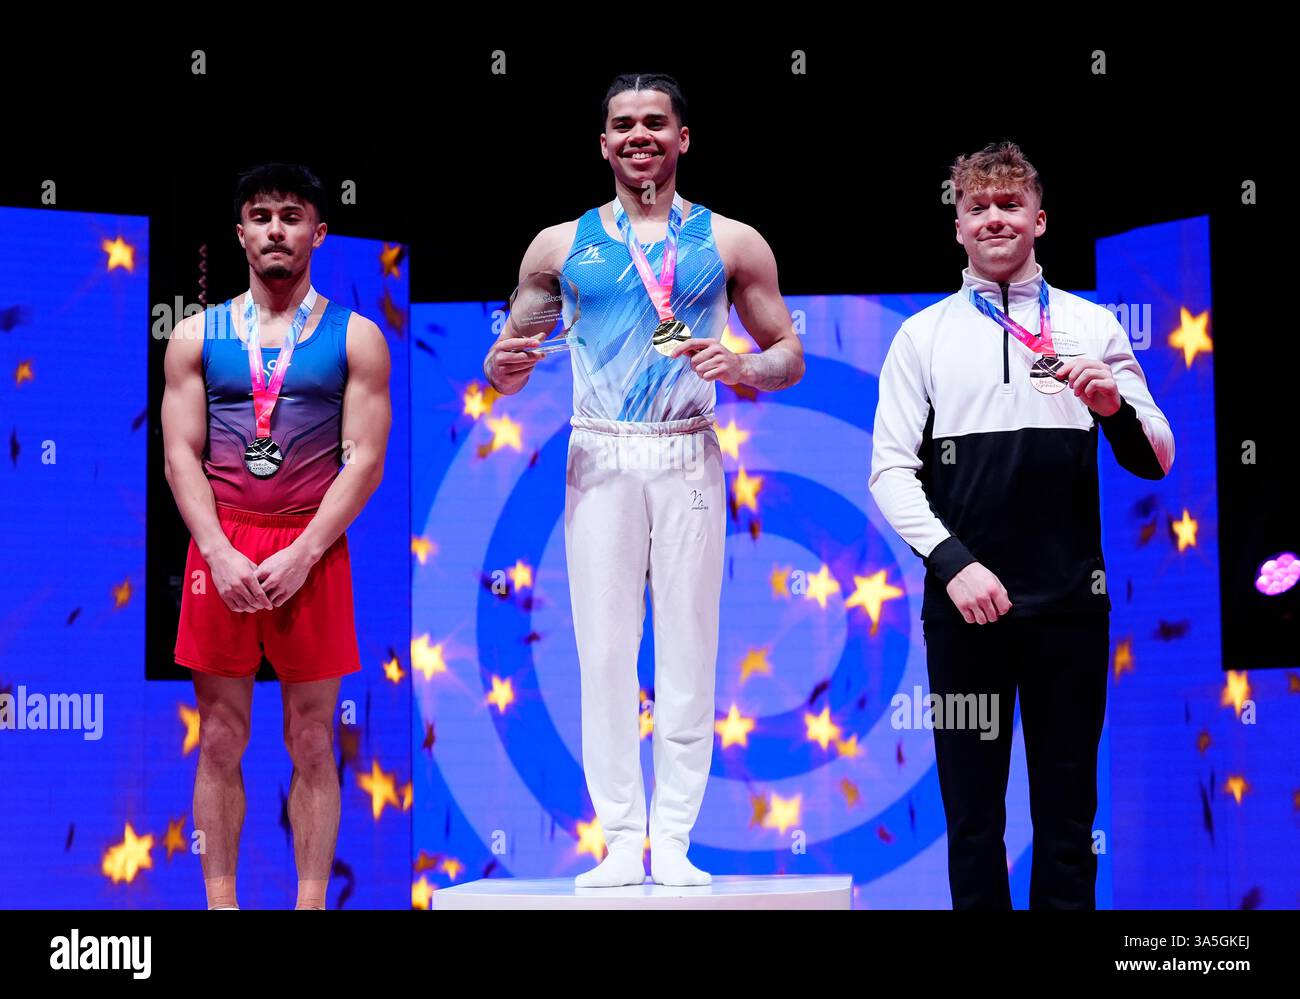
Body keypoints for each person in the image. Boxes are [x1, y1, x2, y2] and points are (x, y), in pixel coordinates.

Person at [484, 74, 804, 887]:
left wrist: (739, 365)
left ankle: (676, 839)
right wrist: (500, 366)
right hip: (600, 455)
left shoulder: (732, 242)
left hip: (686, 450)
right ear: (603, 143)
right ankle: (622, 838)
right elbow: (510, 364)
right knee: (604, 652)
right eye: (623, 124)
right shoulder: (559, 246)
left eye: (655, 123)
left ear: (683, 137)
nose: (639, 136)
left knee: (691, 651)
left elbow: (787, 355)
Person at [869, 141, 1174, 909]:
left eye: (1010, 205)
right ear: (959, 227)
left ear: (1040, 219)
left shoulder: (1092, 323)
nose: (995, 218)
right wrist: (954, 564)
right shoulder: (924, 336)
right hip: (965, 612)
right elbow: (889, 471)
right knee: (973, 823)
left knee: (1069, 820)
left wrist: (1113, 406)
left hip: (1071, 609)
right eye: (978, 207)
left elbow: (1159, 456)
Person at [162, 164, 392, 909]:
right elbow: (179, 456)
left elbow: (363, 461)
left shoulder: (357, 337)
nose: (274, 229)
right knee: (222, 734)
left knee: (313, 739)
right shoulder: (196, 336)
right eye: (259, 216)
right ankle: (221, 905)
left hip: (311, 545)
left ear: (318, 233)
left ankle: (310, 904)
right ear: (240, 233)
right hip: (220, 545)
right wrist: (219, 551)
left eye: (291, 216)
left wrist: (303, 551)